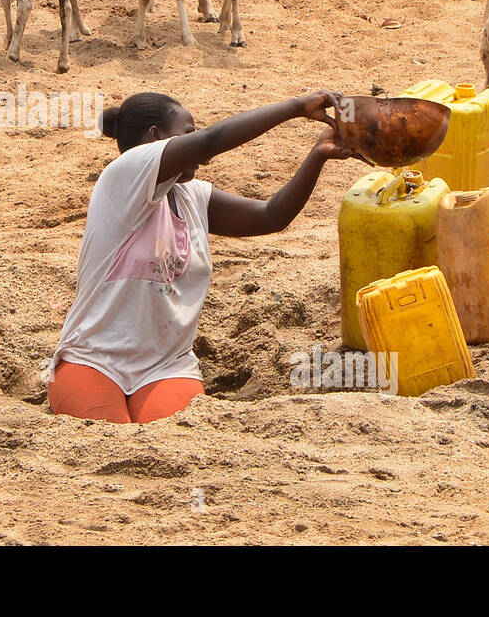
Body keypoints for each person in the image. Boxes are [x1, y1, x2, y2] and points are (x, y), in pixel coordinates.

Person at [48, 91, 358, 424]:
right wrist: (296, 107)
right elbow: (211, 142)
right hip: (93, 361)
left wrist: (318, 154)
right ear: (156, 138)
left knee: (168, 444)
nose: (201, 152)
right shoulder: (124, 175)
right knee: (109, 438)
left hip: (166, 366)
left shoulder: (192, 196)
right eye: (188, 133)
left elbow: (271, 216)